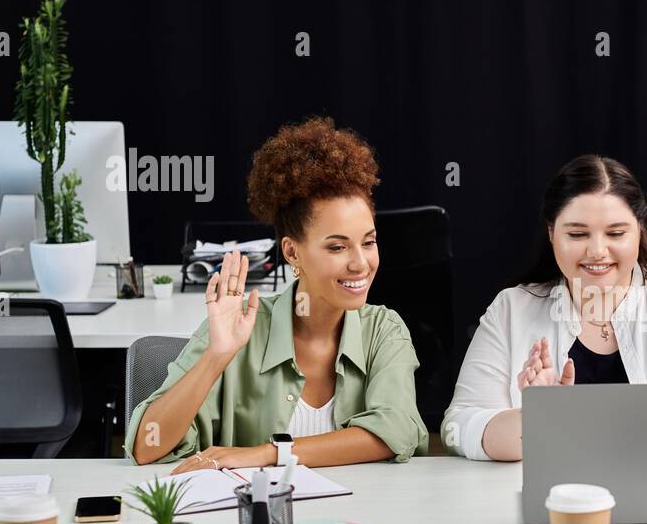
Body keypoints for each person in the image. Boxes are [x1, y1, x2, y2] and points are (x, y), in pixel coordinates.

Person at [125, 116, 429, 471]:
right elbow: (148, 446)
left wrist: (267, 454)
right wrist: (216, 358)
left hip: (355, 522)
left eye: (368, 242)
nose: (360, 263)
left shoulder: (383, 330)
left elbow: (394, 431)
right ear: (291, 252)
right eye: (337, 248)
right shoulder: (238, 328)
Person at [443, 154, 647, 461]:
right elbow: (457, 428)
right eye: (577, 234)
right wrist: (539, 418)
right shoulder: (511, 309)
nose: (597, 251)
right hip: (552, 501)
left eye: (616, 233)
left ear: (639, 230)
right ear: (551, 233)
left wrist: (567, 429)